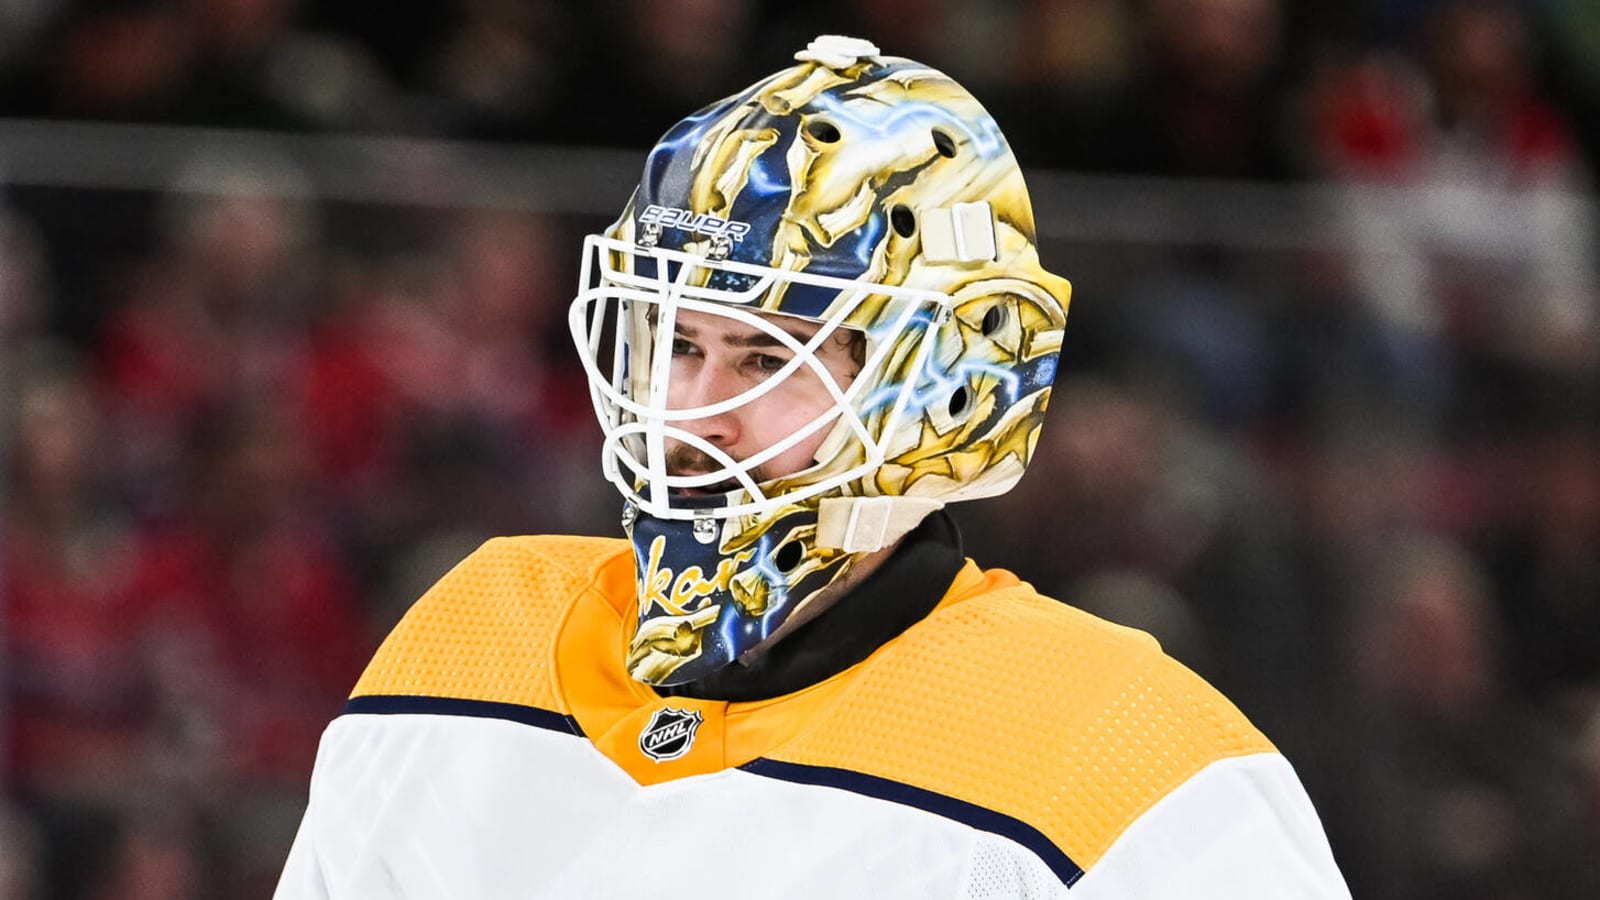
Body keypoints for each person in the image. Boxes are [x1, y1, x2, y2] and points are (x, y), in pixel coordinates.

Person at [274, 35, 1350, 899]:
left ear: (942, 388)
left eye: (767, 358)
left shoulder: (1124, 759)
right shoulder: (465, 651)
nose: (692, 414)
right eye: (679, 345)